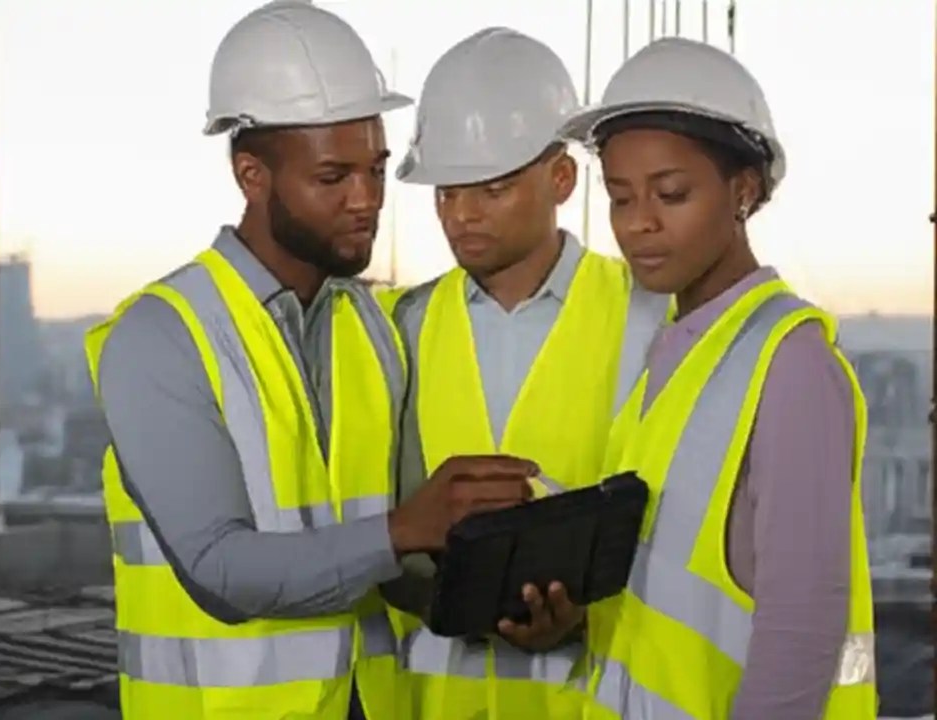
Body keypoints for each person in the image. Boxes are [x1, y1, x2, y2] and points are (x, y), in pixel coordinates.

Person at [84, 3, 537, 718]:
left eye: (377, 171)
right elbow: (220, 574)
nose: (366, 201)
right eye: (333, 178)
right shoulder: (162, 336)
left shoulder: (370, 328)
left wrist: (512, 604)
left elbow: (394, 572)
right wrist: (406, 528)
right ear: (251, 175)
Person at [560, 37, 877, 719]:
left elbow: (801, 634)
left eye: (671, 194)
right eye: (619, 198)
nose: (639, 222)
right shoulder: (673, 351)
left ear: (744, 190)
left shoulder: (791, 364)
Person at [379, 28, 670, 719]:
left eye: (492, 187)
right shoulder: (398, 327)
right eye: (447, 192)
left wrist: (583, 619)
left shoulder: (649, 318)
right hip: (434, 701)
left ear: (562, 179)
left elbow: (682, 534)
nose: (462, 213)